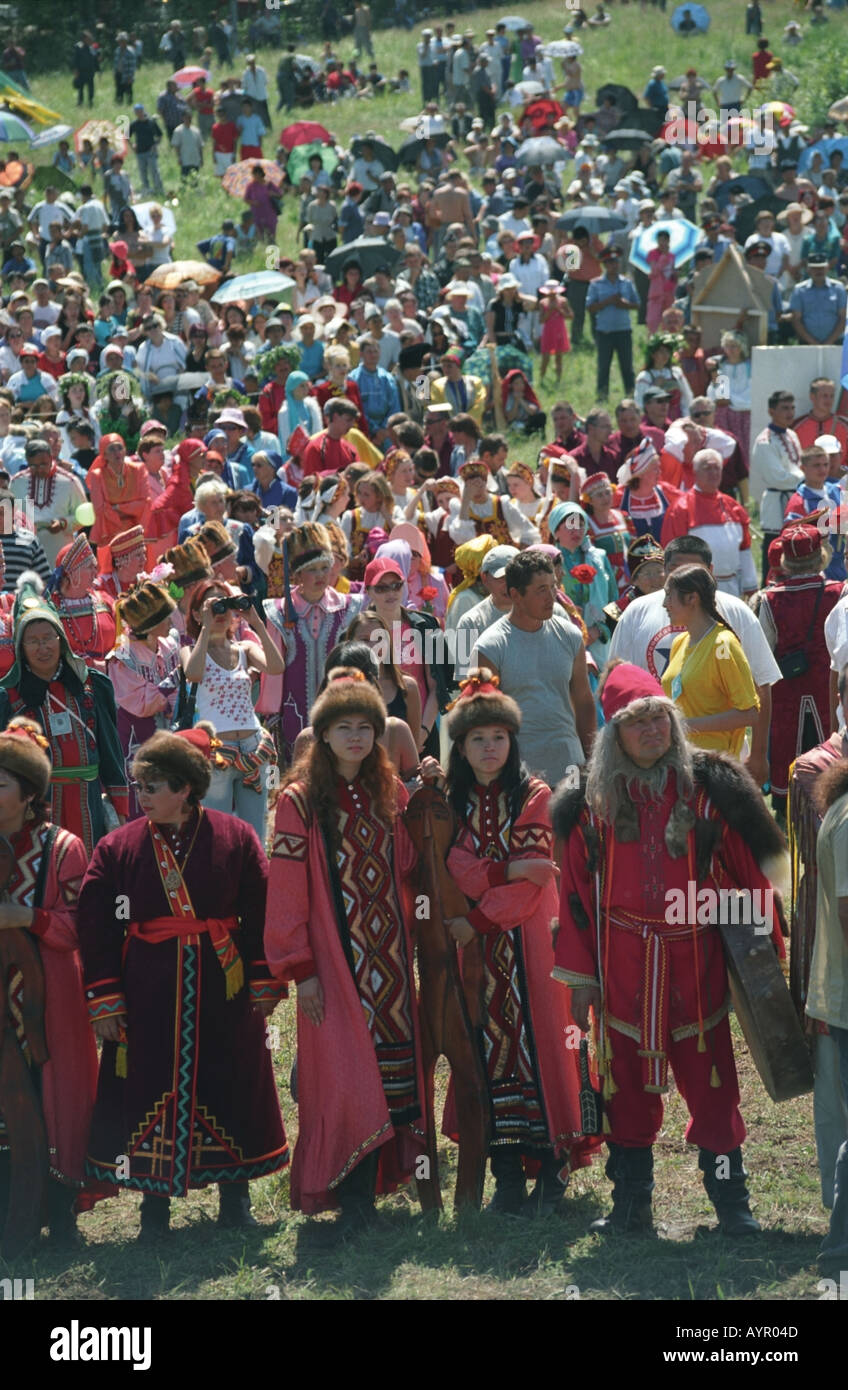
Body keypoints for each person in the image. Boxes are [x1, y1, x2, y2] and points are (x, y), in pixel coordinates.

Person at [553, 661, 786, 1235]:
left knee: (714, 1089)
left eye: (660, 719)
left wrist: (760, 952)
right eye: (638, 724)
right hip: (623, 969)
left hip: (697, 966)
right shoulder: (591, 806)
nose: (653, 731)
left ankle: (733, 1206)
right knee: (624, 1090)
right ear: (613, 735)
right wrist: (582, 982)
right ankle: (631, 1209)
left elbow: (753, 874)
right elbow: (577, 897)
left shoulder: (708, 792)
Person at [78, 725, 289, 1239]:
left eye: (153, 786)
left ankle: (233, 1201)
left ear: (186, 788)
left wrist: (263, 980)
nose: (141, 796)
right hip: (147, 990)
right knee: (150, 1085)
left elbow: (260, 909)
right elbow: (95, 925)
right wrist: (105, 998)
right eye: (139, 786)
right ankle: (154, 1212)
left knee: (229, 1080)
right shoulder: (116, 847)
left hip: (226, 988)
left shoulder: (236, 838)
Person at [417, 671, 597, 1213]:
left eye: (498, 737)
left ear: (512, 740)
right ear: (461, 746)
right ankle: (505, 1175)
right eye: (477, 739)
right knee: (485, 1047)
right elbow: (451, 865)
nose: (489, 747)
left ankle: (551, 1169)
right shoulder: (452, 799)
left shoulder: (536, 793)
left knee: (541, 1044)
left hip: (527, 940)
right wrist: (502, 869)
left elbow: (539, 875)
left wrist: (478, 914)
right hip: (477, 951)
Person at [264, 671, 424, 1233]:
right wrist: (300, 969)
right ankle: (351, 1194)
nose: (355, 737)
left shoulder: (391, 793)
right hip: (334, 962)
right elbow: (285, 894)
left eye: (365, 728)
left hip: (390, 960)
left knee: (389, 1069)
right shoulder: (298, 802)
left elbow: (406, 866)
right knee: (342, 1073)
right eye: (343, 728)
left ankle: (377, 1188)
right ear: (323, 736)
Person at [0, 716, 97, 1245]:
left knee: (53, 1098)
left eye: (0, 781)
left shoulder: (63, 849)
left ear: (28, 791)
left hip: (51, 1004)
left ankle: (61, 1215)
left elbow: (80, 927)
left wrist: (25, 918)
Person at [0, 584, 128, 858]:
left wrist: (120, 808)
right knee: (44, 878)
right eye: (32, 640)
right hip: (37, 810)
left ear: (61, 639)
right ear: (21, 647)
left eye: (48, 637)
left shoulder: (92, 686)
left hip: (89, 804)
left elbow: (111, 754)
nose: (42, 647)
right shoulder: (8, 697)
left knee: (90, 877)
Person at [470, 551, 596, 787]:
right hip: (519, 771)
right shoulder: (489, 647)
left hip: (570, 764)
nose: (551, 597)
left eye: (553, 587)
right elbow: (486, 718)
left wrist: (590, 760)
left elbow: (583, 701)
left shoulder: (570, 635)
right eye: (541, 590)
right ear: (516, 595)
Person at [750, 525, 843, 815]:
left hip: (785, 690)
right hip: (830, 685)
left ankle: (787, 805)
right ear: (821, 555)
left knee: (785, 745)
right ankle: (834, 797)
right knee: (832, 740)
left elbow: (762, 651)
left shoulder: (768, 598)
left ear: (785, 560)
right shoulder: (840, 592)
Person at [182, 580, 281, 841]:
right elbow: (193, 673)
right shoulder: (190, 650)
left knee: (255, 832)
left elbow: (276, 666)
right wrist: (205, 627)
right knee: (217, 833)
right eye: (214, 606)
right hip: (217, 752)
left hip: (253, 749)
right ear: (196, 613)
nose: (221, 612)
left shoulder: (245, 649)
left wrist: (256, 622)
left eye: (225, 605)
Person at [261, 522, 360, 764]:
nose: (320, 575)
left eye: (325, 567)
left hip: (339, 713)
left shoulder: (348, 608)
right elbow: (273, 672)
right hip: (294, 714)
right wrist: (273, 716)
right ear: (296, 575)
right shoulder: (277, 612)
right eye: (312, 569)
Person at [661, 565, 758, 760]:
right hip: (681, 760)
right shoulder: (680, 642)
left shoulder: (723, 645)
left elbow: (749, 714)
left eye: (669, 596)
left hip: (715, 766)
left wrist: (686, 726)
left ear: (692, 598)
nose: (664, 603)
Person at [108, 581, 181, 821]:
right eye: (165, 616)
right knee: (142, 811)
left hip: (170, 738)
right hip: (137, 744)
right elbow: (142, 702)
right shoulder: (123, 657)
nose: (172, 620)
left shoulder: (169, 644)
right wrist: (178, 676)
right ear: (150, 627)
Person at [660, 449, 757, 598]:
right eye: (707, 468)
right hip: (696, 590)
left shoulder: (734, 507)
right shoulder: (680, 509)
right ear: (695, 473)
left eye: (717, 468)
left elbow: (744, 549)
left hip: (732, 588)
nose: (713, 473)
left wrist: (751, 587)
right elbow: (671, 554)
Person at [750, 390, 803, 584]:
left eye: (792, 408)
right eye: (784, 408)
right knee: (774, 549)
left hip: (794, 499)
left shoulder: (791, 435)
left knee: (796, 546)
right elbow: (777, 477)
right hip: (776, 502)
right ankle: (769, 590)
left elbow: (797, 466)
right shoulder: (765, 441)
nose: (790, 412)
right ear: (771, 411)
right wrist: (805, 478)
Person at [49, 534, 116, 675]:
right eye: (89, 567)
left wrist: (112, 663)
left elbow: (124, 637)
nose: (95, 571)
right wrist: (89, 664)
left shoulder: (105, 600)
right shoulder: (50, 607)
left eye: (95, 566)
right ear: (73, 573)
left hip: (110, 677)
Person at [586, 247, 639, 401]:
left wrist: (623, 304)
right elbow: (590, 308)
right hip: (604, 331)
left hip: (623, 330)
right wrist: (607, 302)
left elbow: (637, 305)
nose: (613, 266)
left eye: (615, 262)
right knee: (603, 367)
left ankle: (631, 395)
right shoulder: (595, 284)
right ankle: (602, 397)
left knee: (627, 367)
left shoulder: (627, 283)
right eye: (609, 263)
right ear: (604, 264)